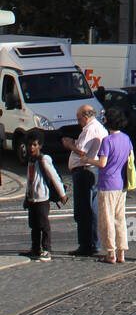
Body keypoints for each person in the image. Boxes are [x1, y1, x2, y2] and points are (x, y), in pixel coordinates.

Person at [62, 103, 107, 257]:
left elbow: (82, 151)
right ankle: (94, 242)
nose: (77, 121)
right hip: (92, 171)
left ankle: (87, 244)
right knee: (92, 207)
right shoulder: (100, 128)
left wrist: (69, 144)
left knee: (83, 209)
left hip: (85, 171)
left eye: (79, 118)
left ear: (86, 117)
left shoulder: (90, 129)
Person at [91, 108, 134, 265]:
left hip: (107, 183)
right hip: (121, 184)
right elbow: (130, 158)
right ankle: (121, 252)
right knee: (119, 218)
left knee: (107, 219)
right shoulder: (126, 139)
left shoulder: (107, 141)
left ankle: (111, 253)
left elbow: (102, 163)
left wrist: (88, 160)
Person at [22, 133, 66, 261]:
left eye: (34, 145)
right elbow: (29, 180)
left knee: (43, 225)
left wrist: (62, 194)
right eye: (30, 145)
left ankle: (47, 249)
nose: (31, 148)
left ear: (40, 145)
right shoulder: (30, 160)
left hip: (42, 198)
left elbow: (54, 176)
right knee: (34, 225)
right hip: (32, 198)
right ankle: (35, 248)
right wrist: (26, 197)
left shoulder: (44, 159)